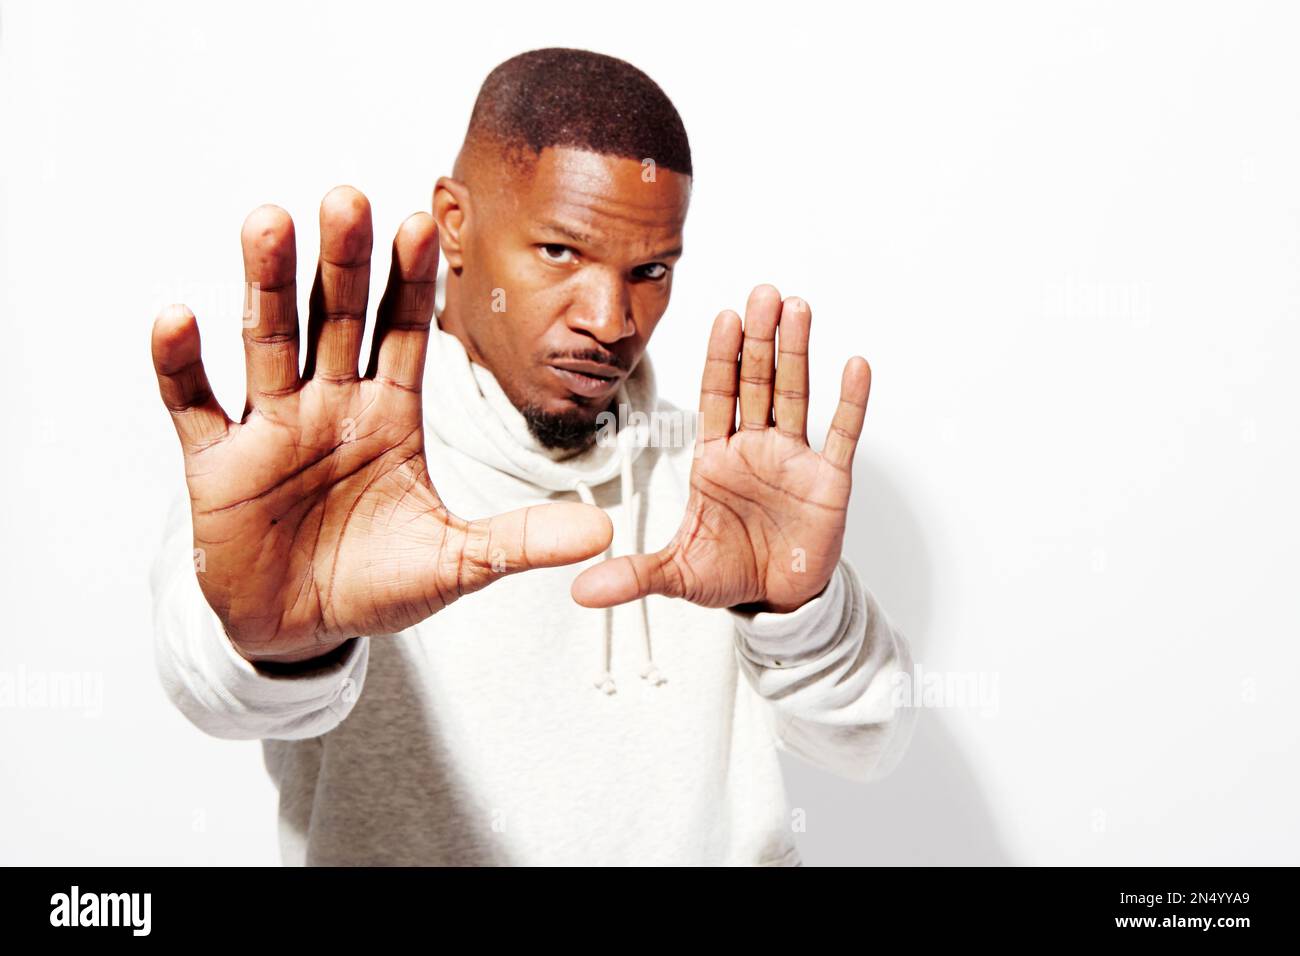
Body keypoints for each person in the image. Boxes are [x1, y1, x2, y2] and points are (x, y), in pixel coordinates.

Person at [149, 47, 918, 866]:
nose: (611, 319)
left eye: (649, 270)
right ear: (455, 222)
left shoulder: (723, 479)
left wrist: (796, 612)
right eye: (560, 252)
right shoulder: (328, 469)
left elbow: (867, 742)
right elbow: (211, 694)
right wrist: (278, 643)